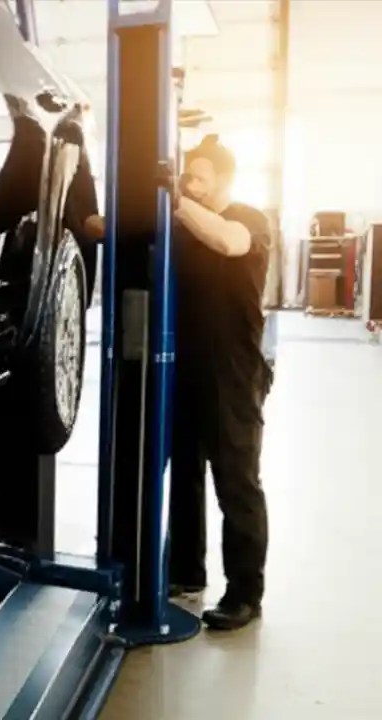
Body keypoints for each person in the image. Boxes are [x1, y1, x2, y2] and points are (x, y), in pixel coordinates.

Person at [84, 136, 273, 630]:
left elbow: (228, 241)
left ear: (226, 181)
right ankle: (187, 571)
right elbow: (104, 229)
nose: (190, 185)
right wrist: (88, 203)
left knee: (236, 482)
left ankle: (245, 594)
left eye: (199, 178)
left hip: (234, 374)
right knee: (185, 474)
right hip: (183, 371)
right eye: (186, 176)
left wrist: (177, 198)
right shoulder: (182, 222)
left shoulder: (249, 219)